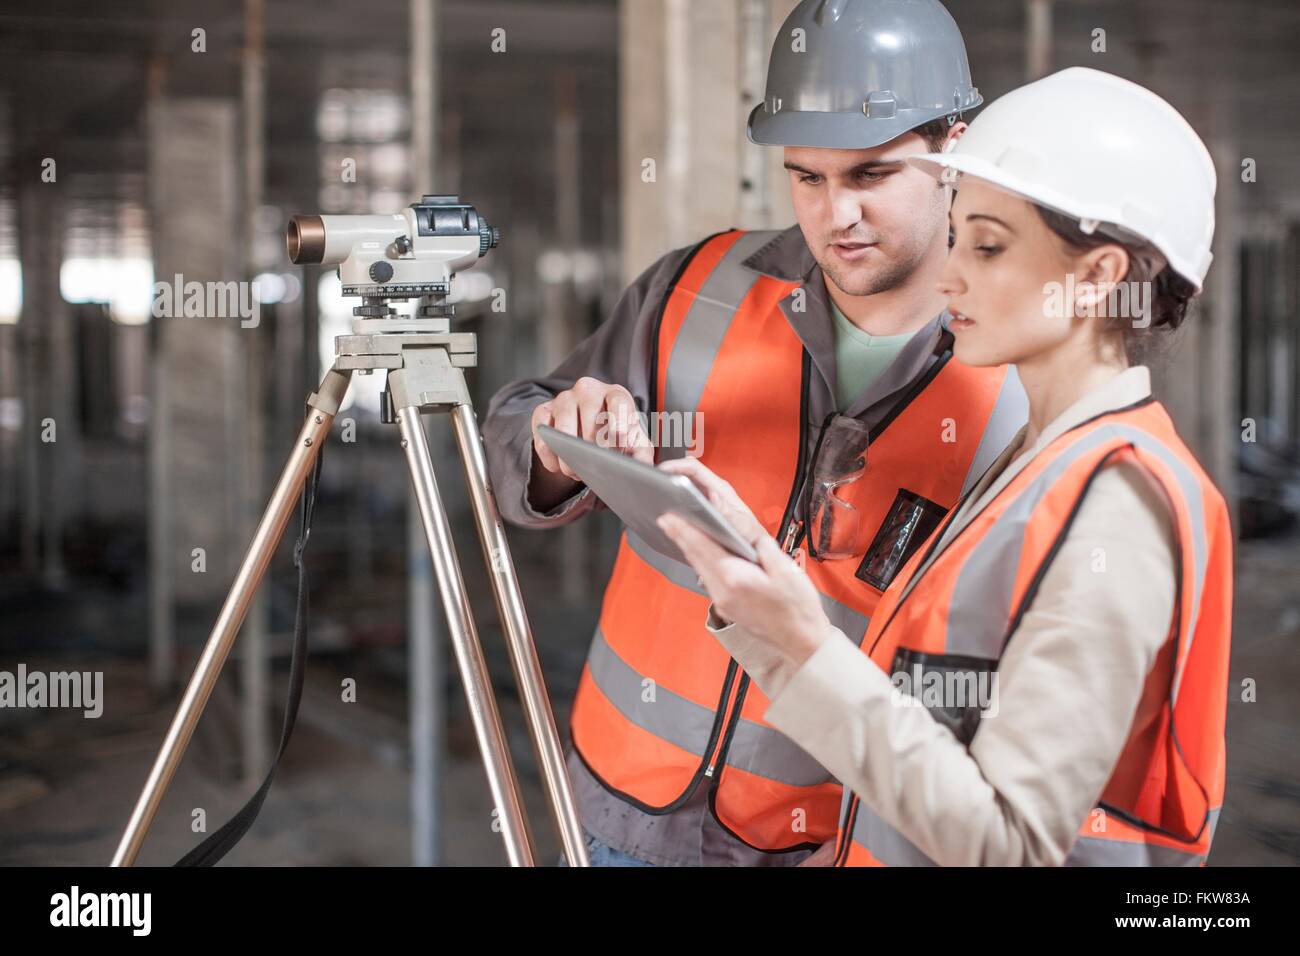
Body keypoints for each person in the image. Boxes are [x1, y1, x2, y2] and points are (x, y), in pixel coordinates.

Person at [482, 0, 1027, 866]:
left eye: (871, 176)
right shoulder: (696, 287)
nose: (834, 214)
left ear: (953, 145)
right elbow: (512, 425)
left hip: (825, 840)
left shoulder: (1014, 377)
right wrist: (552, 446)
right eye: (807, 177)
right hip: (618, 808)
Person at [658, 66, 1233, 866]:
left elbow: (1014, 846)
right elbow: (939, 744)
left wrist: (808, 647)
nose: (950, 273)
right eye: (956, 235)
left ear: (1097, 276)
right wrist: (774, 618)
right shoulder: (1033, 461)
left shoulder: (1116, 507)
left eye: (989, 247)